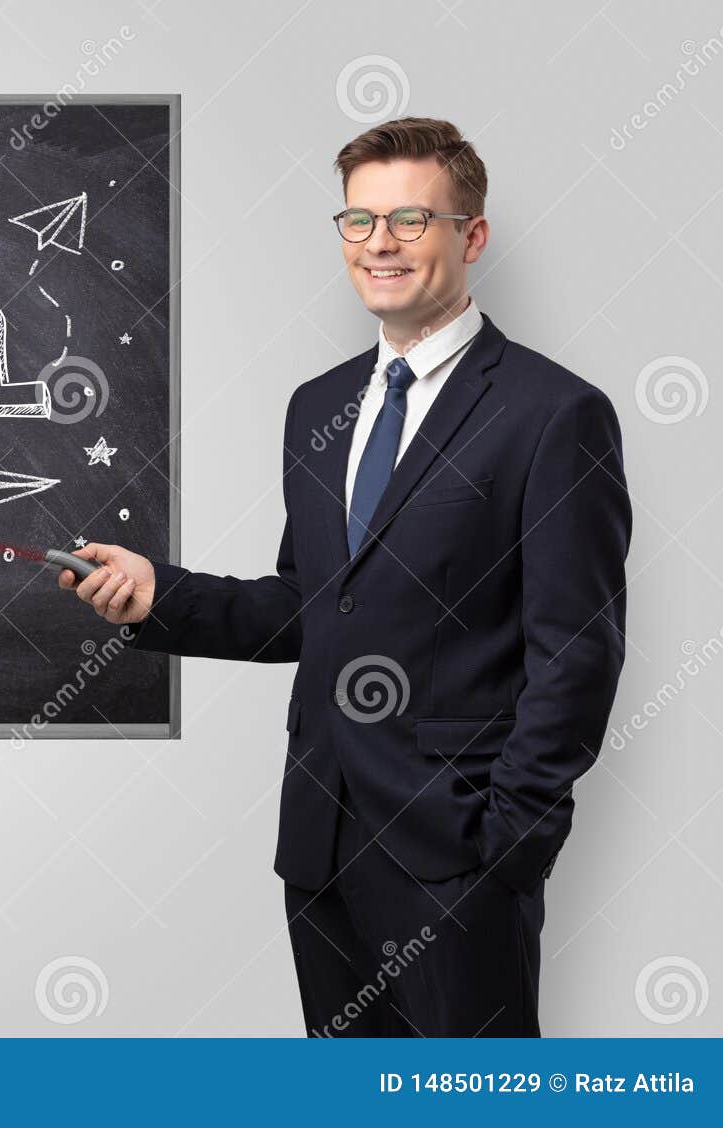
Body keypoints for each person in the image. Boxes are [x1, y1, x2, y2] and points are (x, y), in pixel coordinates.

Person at [59, 118, 631, 1037]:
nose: (381, 245)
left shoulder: (553, 412)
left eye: (410, 219)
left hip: (456, 848)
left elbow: (578, 652)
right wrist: (158, 594)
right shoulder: (318, 407)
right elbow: (311, 607)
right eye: (359, 222)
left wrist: (507, 844)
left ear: (470, 236)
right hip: (320, 842)